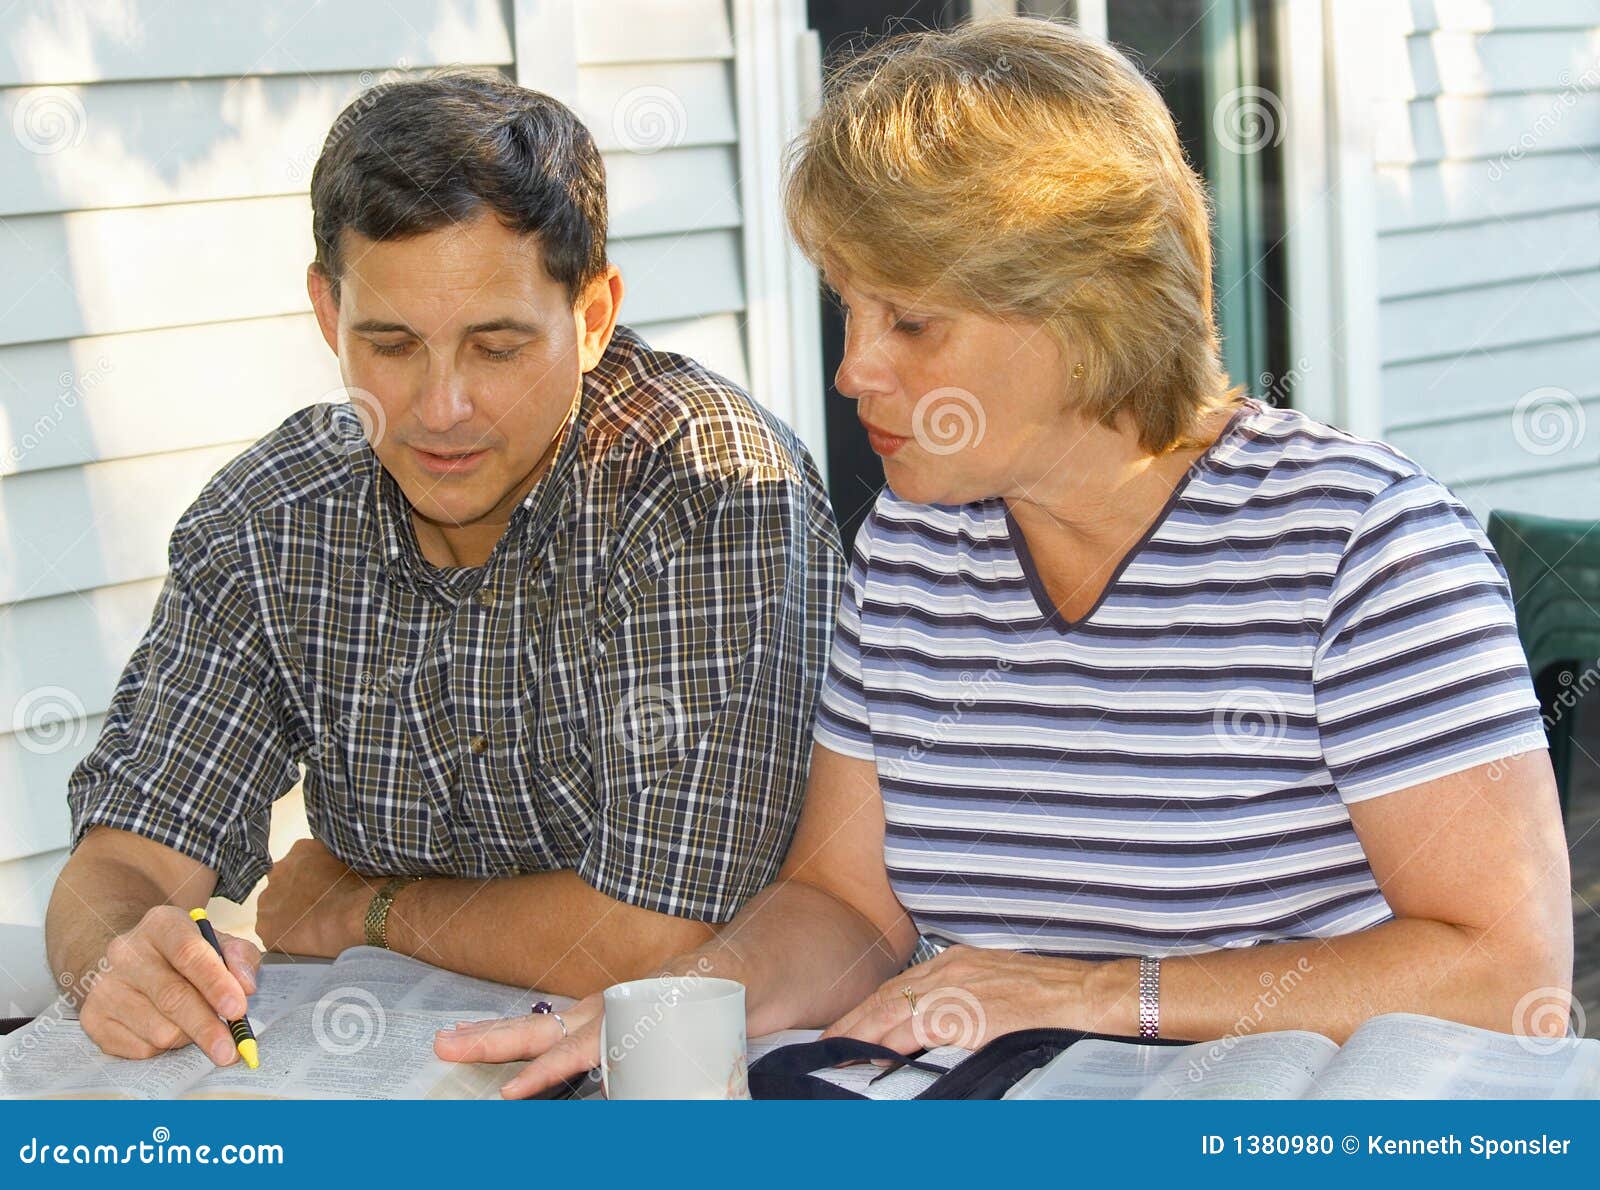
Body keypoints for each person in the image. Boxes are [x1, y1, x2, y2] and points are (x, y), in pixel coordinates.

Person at [436, 18, 1573, 1097]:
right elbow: (849, 907)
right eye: (847, 310)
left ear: (1087, 307)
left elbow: (1505, 971)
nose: (854, 372)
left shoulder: (1363, 546)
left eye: (911, 323)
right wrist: (675, 1004)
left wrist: (1086, 992)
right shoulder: (916, 547)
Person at [45, 71, 843, 1067]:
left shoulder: (705, 489)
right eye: (390, 344)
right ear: (326, 310)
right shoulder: (270, 519)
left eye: (496, 345)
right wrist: (122, 952)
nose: (441, 407)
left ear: (593, 315)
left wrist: (363, 905)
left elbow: (658, 929)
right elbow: (123, 854)